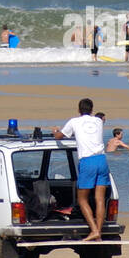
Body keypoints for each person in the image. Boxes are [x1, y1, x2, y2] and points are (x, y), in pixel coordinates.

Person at [51, 98, 108, 242]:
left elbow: (59, 136)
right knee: (99, 198)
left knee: (82, 199)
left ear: (78, 110)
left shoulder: (74, 122)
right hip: (101, 160)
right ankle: (99, 232)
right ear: (92, 110)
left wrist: (55, 131)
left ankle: (94, 230)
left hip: (87, 161)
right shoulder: (98, 121)